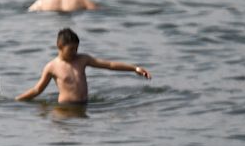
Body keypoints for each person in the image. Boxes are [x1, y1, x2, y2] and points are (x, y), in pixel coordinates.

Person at [16, 28, 150, 104]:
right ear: (60, 46)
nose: (74, 52)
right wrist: (18, 100)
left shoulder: (83, 59)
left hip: (84, 105)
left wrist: (134, 68)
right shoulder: (52, 67)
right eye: (71, 49)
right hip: (65, 107)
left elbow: (109, 65)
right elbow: (37, 90)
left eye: (76, 48)